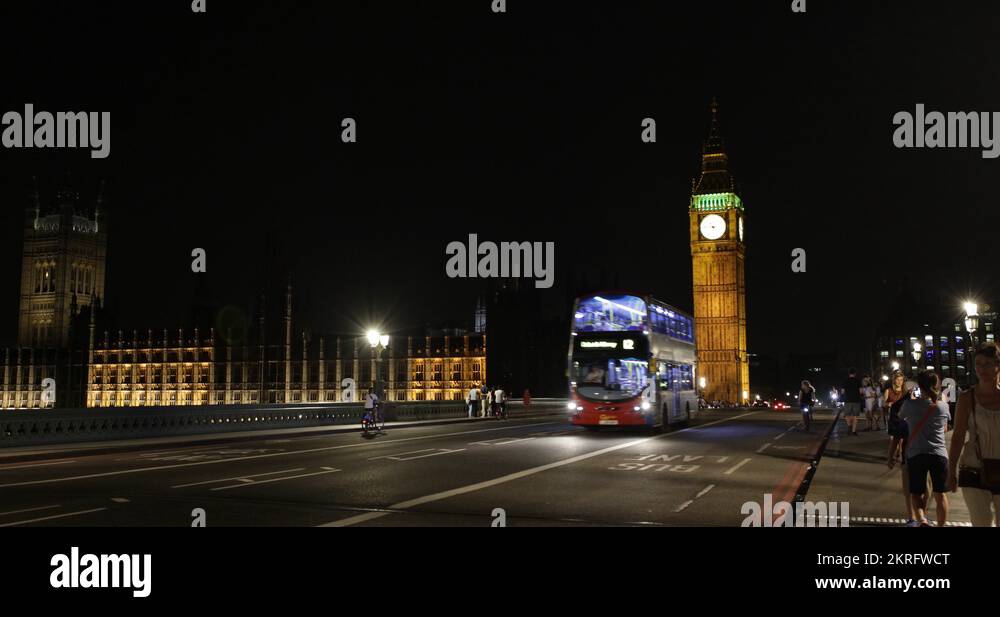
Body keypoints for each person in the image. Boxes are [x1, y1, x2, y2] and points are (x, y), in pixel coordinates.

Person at [948, 344, 1000, 526]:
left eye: (988, 363)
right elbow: (958, 437)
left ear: (998, 366)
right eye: (978, 363)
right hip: (973, 468)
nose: (982, 368)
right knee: (981, 522)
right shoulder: (967, 398)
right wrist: (951, 471)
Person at [890, 371, 950, 527]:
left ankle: (922, 520)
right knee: (940, 495)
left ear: (919, 386)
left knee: (916, 492)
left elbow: (899, 416)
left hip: (916, 453)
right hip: (939, 454)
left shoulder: (910, 404)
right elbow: (944, 428)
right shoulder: (943, 406)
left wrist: (910, 397)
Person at [841, 367, 864, 436]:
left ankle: (849, 426)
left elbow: (842, 391)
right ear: (855, 373)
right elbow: (861, 391)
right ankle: (854, 431)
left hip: (847, 400)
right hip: (856, 400)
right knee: (855, 416)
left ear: (849, 373)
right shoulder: (858, 381)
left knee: (847, 415)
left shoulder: (845, 381)